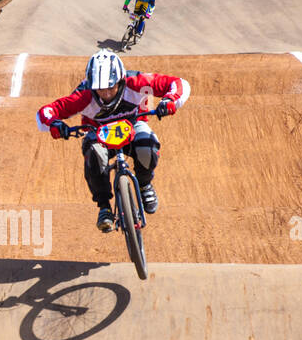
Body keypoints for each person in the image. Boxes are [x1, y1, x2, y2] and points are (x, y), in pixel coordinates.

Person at [36, 49, 190, 232]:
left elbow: (179, 83)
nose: (106, 93)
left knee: (148, 144)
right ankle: (104, 207)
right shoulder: (83, 95)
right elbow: (45, 112)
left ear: (121, 80)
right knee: (93, 155)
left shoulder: (137, 82)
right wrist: (55, 124)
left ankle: (144, 184)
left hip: (133, 127)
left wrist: (170, 100)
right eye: (100, 89)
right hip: (98, 134)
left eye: (111, 87)